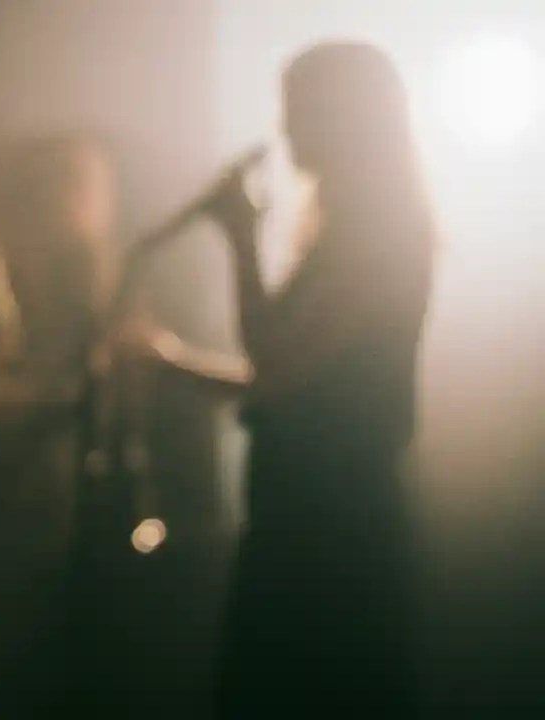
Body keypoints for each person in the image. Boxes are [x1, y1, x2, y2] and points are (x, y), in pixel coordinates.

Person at [154, 41, 437, 715]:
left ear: (344, 119)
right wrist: (166, 361)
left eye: (300, 111)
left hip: (331, 538)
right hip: (303, 524)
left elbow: (276, 365)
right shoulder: (350, 235)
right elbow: (288, 382)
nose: (285, 131)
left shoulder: (381, 236)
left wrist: (240, 238)